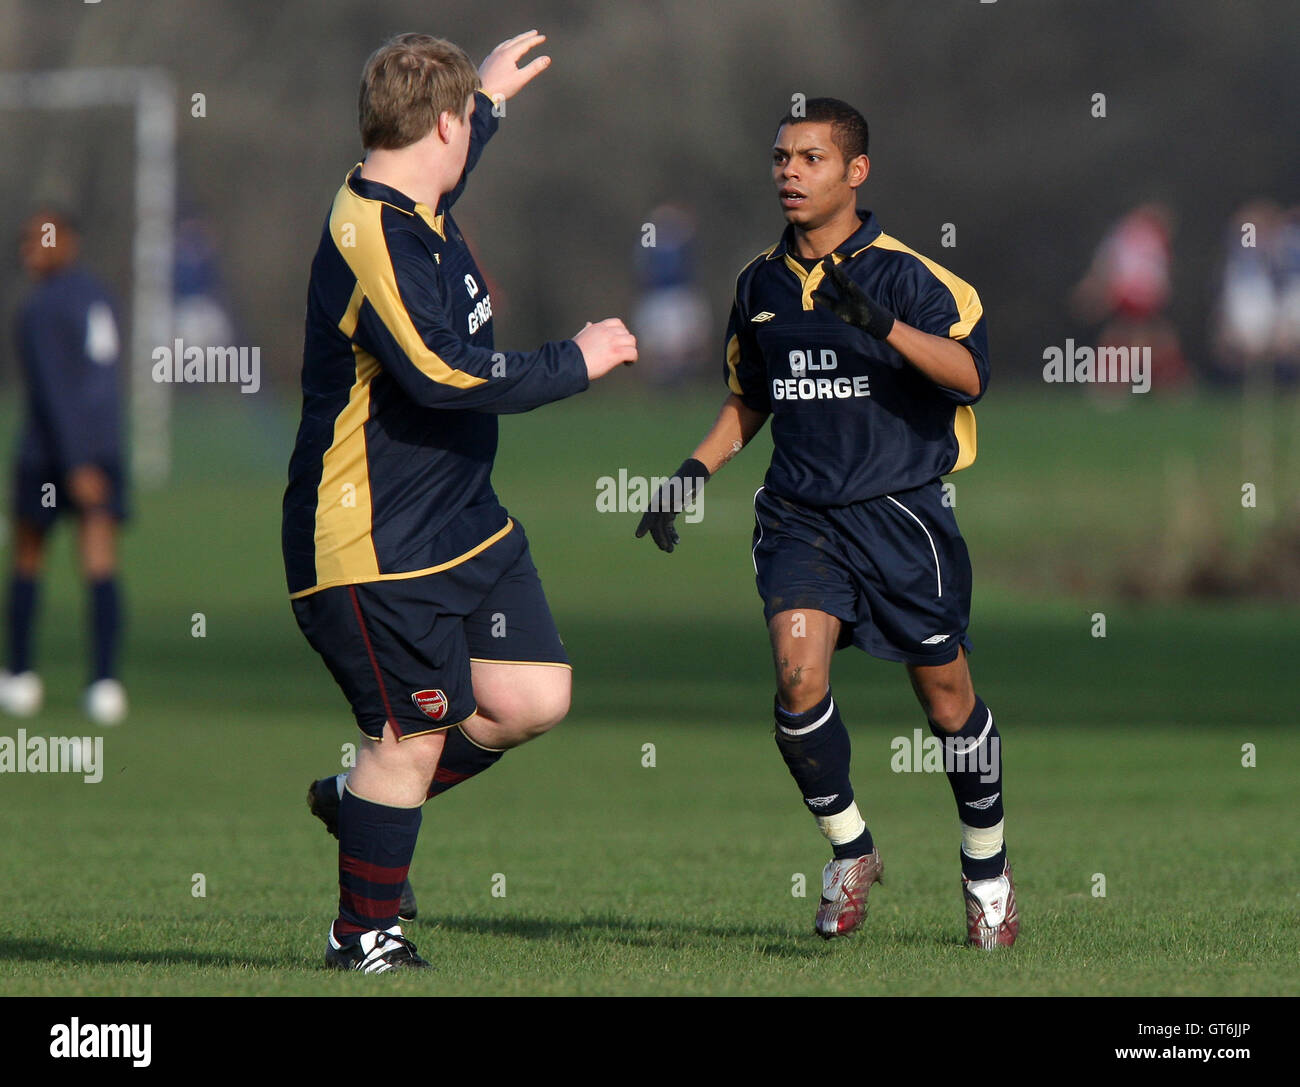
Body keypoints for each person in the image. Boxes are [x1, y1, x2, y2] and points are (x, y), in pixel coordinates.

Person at [283, 30, 636, 971]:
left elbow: (443, 158)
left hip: (459, 520)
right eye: (464, 120)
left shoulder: (413, 188)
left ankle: (359, 799)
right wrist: (578, 360)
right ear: (440, 125)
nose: (469, 134)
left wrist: (488, 96)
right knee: (411, 735)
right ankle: (362, 938)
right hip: (373, 539)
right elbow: (441, 373)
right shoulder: (374, 233)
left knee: (529, 694)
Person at [636, 98, 1016, 948]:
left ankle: (987, 871)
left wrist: (881, 326)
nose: (789, 172)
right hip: (801, 517)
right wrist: (691, 473)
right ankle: (852, 850)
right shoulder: (758, 283)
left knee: (948, 701)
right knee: (798, 680)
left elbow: (971, 374)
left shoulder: (913, 276)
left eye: (810, 158)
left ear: (856, 172)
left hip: (901, 516)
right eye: (780, 157)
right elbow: (750, 399)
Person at [1, 209, 127, 726]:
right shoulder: (99, 297)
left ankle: (21, 673)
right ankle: (104, 682)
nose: (30, 247)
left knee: (30, 558)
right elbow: (100, 387)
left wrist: (76, 462)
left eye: (40, 238)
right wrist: (99, 454)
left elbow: (56, 393)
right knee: (99, 560)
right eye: (26, 239)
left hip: (51, 455)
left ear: (67, 242)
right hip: (100, 450)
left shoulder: (41, 307)